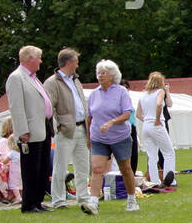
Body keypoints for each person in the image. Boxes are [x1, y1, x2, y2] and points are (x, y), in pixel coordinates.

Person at [5, 46, 54, 213]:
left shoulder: (34, 78)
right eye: (39, 58)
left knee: (43, 166)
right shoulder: (17, 78)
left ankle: (38, 201)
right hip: (30, 130)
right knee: (31, 167)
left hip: (44, 126)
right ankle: (29, 203)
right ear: (29, 59)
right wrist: (22, 131)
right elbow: (16, 107)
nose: (41, 61)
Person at [86, 59, 139, 213]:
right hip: (99, 138)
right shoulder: (94, 94)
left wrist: (111, 122)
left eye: (104, 73)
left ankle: (131, 199)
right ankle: (93, 203)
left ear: (112, 75)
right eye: (98, 73)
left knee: (125, 168)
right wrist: (89, 137)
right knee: (97, 168)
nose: (100, 76)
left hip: (120, 136)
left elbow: (127, 113)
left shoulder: (121, 91)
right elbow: (90, 117)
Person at [43, 47, 90, 208]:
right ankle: (58, 200)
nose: (77, 65)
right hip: (65, 129)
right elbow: (49, 107)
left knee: (83, 165)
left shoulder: (76, 80)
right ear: (69, 62)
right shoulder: (52, 82)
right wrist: (58, 126)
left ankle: (83, 196)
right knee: (60, 166)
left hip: (81, 128)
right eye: (76, 62)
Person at [137, 72, 177, 187]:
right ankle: (169, 180)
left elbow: (139, 114)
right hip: (157, 124)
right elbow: (159, 104)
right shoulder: (160, 92)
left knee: (152, 155)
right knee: (169, 152)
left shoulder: (143, 94)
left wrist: (147, 120)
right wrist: (157, 119)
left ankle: (154, 181)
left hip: (146, 125)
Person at [0, 118, 23, 203]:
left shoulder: (16, 140)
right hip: (10, 164)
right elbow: (5, 156)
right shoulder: (4, 141)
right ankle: (12, 195)